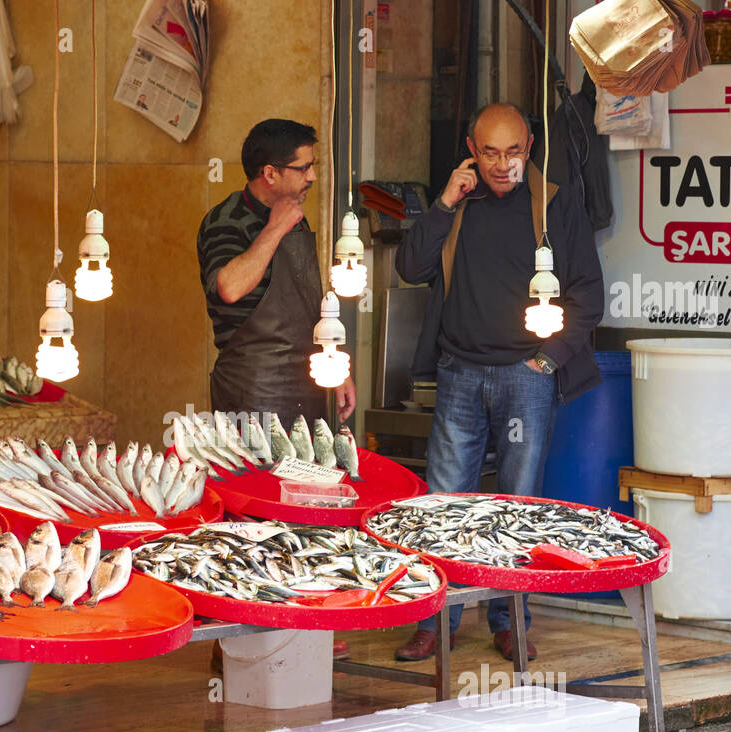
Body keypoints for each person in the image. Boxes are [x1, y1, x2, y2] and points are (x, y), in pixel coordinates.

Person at [392, 102, 605, 664]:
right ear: (471, 149)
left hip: (525, 377)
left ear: (529, 148)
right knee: (444, 506)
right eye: (491, 153)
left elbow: (588, 295)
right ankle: (436, 623)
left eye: (513, 152)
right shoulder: (460, 206)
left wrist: (548, 359)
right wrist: (443, 202)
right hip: (459, 373)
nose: (503, 165)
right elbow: (410, 269)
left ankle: (509, 619)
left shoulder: (554, 205)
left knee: (516, 505)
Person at [197, 118, 357, 663]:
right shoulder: (227, 221)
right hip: (254, 383)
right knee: (256, 512)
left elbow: (312, 301)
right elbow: (229, 285)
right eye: (303, 167)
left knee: (312, 507)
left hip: (310, 378)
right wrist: (274, 228)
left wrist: (337, 363)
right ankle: (247, 638)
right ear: (270, 173)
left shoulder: (300, 219)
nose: (313, 176)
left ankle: (306, 629)